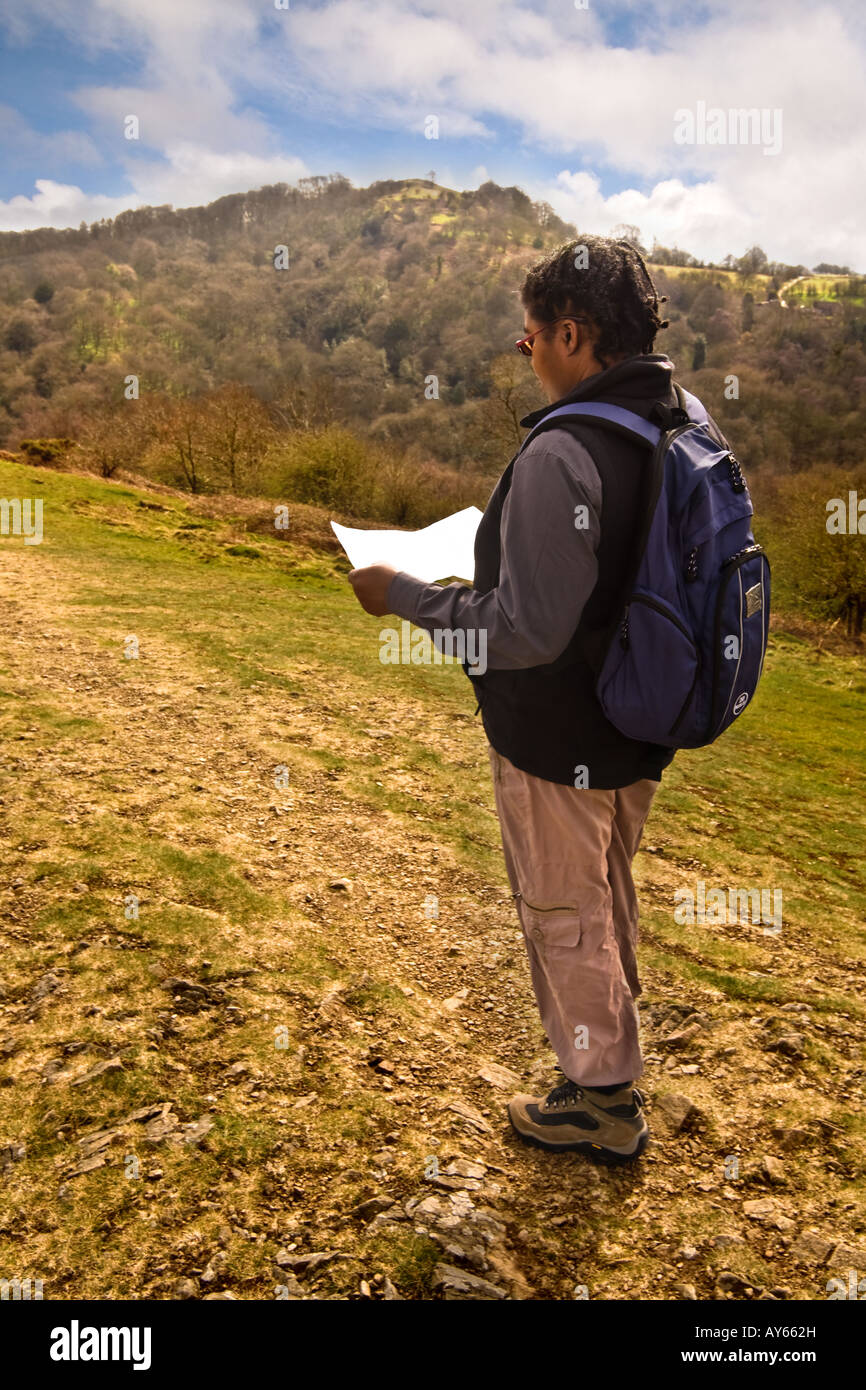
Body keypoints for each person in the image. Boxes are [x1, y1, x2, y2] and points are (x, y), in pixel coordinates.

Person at [348, 235, 724, 1163]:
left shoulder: (566, 449)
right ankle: (614, 1050)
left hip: (561, 731)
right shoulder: (680, 413)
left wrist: (396, 592)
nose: (528, 356)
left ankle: (598, 1100)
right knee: (601, 890)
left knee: (563, 909)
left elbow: (521, 632)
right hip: (641, 714)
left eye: (529, 341)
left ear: (571, 331)